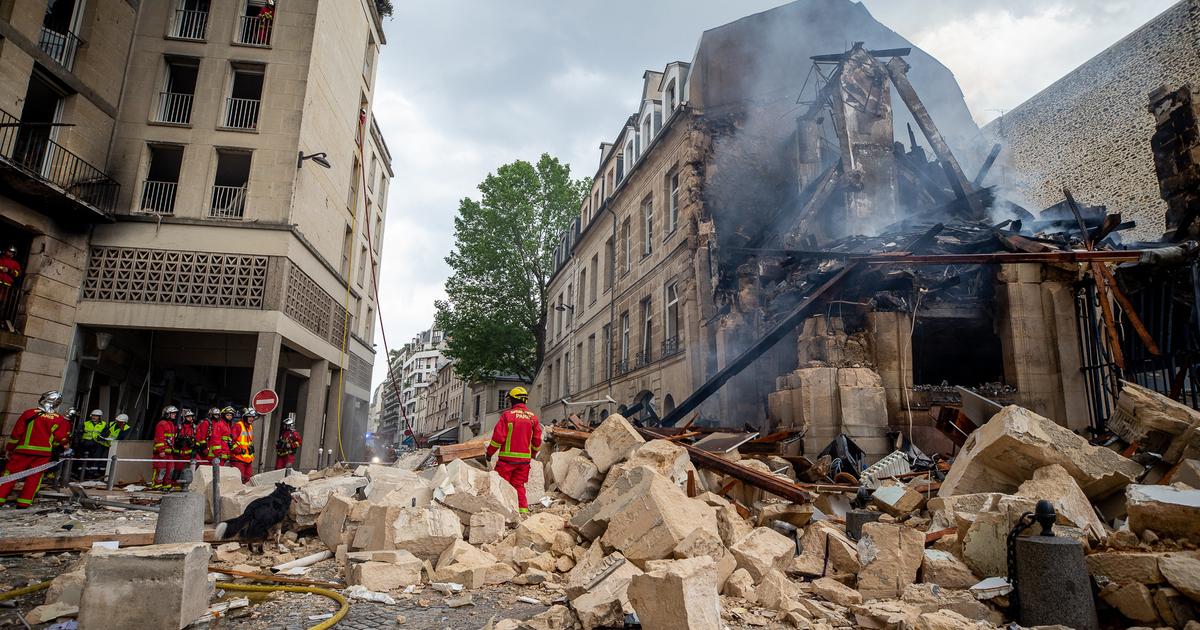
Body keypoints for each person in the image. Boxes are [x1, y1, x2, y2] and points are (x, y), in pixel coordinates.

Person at [0, 391, 70, 508]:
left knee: (10, 475)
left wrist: (10, 448)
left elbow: (17, 434)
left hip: (23, 451)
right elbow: (61, 439)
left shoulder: (29, 413)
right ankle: (24, 503)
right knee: (35, 477)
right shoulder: (60, 419)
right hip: (43, 454)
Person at [485, 386, 542, 515]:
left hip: (506, 461)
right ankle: (522, 513)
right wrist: (532, 454)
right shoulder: (533, 418)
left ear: (513, 400)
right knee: (519, 486)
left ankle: (500, 513)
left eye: (510, 400)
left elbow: (498, 438)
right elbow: (537, 440)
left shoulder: (507, 416)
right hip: (524, 463)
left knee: (501, 486)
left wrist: (489, 453)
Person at [150, 406, 178, 490]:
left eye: (175, 413)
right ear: (167, 414)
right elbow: (159, 438)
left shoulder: (171, 424)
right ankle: (157, 485)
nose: (175, 415)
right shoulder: (162, 424)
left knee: (170, 470)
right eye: (173, 413)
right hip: (161, 453)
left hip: (169, 453)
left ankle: (166, 485)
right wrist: (161, 450)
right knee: (160, 469)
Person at [171, 409, 197, 490]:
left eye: (191, 417)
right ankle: (175, 486)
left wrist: (194, 449)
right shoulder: (179, 427)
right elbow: (173, 439)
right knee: (177, 470)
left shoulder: (194, 427)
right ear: (184, 417)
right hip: (179, 453)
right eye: (188, 417)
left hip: (189, 453)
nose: (190, 418)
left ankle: (191, 486)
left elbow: (197, 439)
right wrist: (179, 441)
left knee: (192, 470)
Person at [230, 408, 257, 483]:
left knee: (248, 480)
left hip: (248, 459)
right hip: (238, 458)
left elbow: (248, 441)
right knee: (238, 480)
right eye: (249, 417)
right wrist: (239, 450)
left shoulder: (250, 427)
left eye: (252, 417)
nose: (251, 419)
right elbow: (231, 441)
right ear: (245, 417)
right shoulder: (238, 426)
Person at [79, 409, 107, 479]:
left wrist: (101, 438)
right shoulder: (86, 423)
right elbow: (79, 433)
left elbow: (106, 433)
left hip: (97, 444)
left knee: (94, 459)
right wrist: (80, 441)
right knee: (84, 459)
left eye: (96, 416)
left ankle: (91, 475)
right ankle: (82, 474)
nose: (94, 417)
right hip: (86, 443)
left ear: (100, 417)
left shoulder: (104, 424)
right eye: (93, 415)